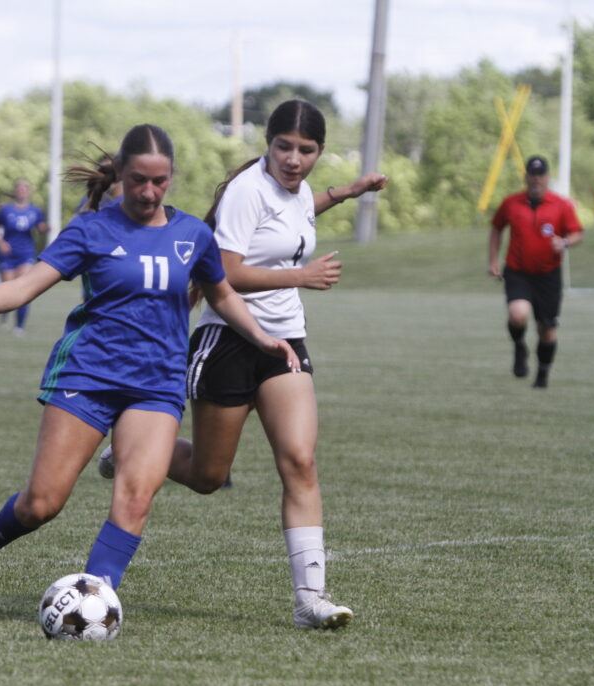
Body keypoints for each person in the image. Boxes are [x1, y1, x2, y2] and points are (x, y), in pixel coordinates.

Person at [0, 124, 299, 594]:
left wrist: (261, 336)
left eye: (160, 181)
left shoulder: (193, 234)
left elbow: (221, 294)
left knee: (135, 498)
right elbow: (26, 286)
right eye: (139, 180)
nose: (149, 191)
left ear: (171, 178)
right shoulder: (91, 229)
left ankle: (95, 596)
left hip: (156, 384)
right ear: (121, 175)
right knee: (42, 504)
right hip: (88, 375)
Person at [101, 100, 387, 630]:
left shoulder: (297, 189)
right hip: (227, 342)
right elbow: (225, 274)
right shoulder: (245, 191)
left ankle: (310, 598)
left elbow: (296, 213)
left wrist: (345, 192)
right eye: (284, 147)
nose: (294, 160)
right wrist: (301, 278)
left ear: (320, 151)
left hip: (285, 343)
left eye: (306, 151)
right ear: (268, 143)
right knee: (210, 476)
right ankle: (129, 453)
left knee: (300, 461)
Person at [487, 155, 582, 388]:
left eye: (541, 175)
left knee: (547, 331)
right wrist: (493, 260)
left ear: (547, 178)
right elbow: (497, 228)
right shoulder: (511, 203)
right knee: (518, 314)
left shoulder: (561, 205)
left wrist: (565, 243)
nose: (536, 179)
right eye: (532, 174)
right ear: (526, 177)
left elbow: (577, 233)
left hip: (548, 275)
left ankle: (542, 373)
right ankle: (519, 346)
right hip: (518, 271)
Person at [0, 179, 48, 334]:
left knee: (23, 287)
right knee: (8, 288)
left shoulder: (35, 210)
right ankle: (4, 313)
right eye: (19, 187)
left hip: (26, 254)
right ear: (15, 191)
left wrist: (46, 228)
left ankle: (19, 326)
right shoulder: (6, 210)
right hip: (8, 254)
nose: (21, 190)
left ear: (29, 191)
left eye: (25, 187)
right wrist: (0, 243)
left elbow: (41, 228)